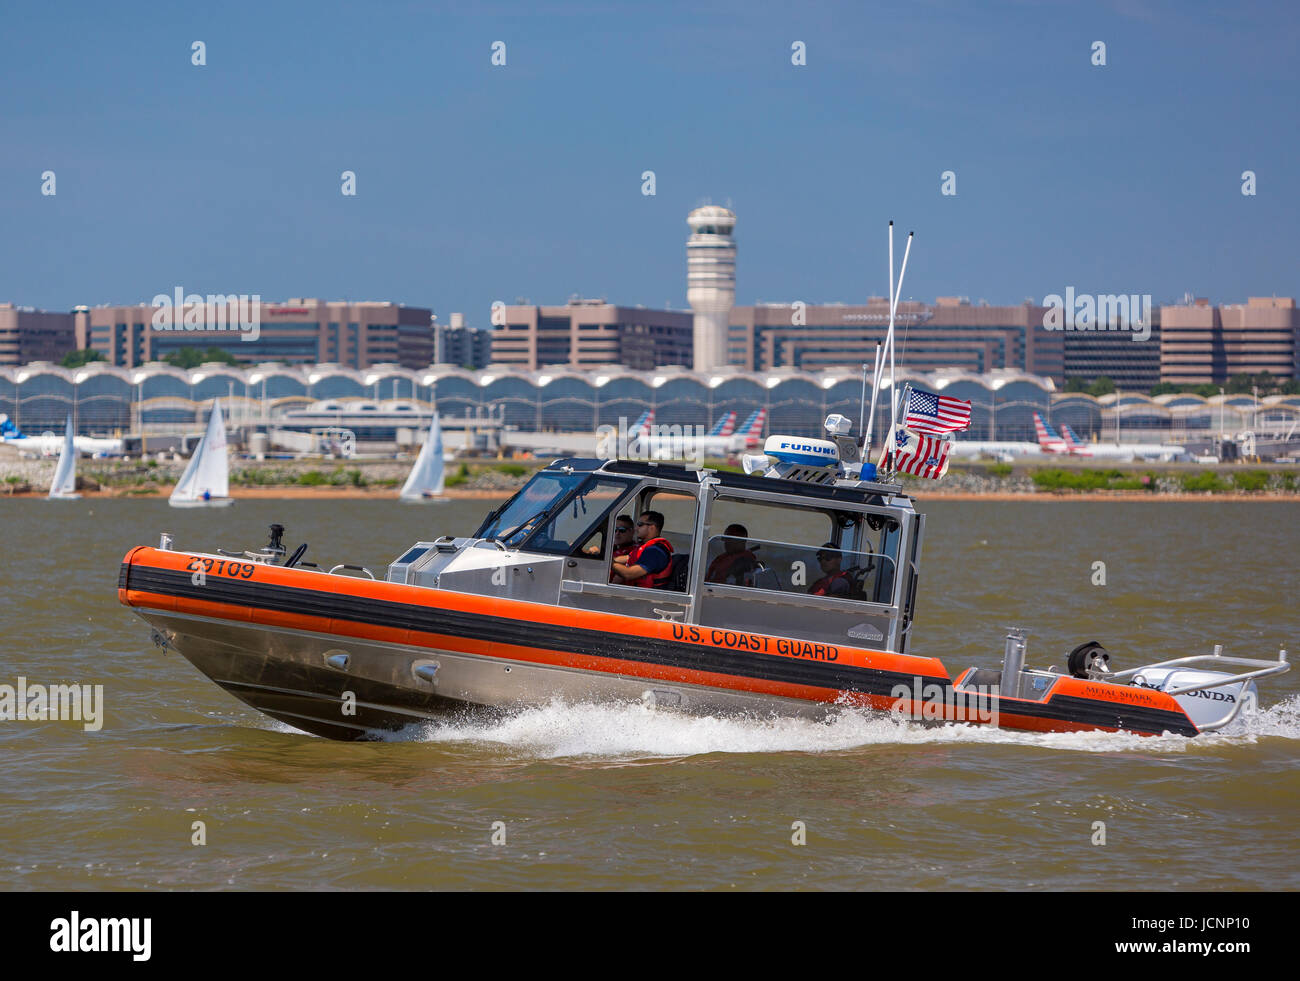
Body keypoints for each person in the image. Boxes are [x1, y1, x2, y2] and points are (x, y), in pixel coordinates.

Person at [611, 510, 673, 588]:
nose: (636, 528)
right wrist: (602, 557)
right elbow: (627, 558)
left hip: (645, 598)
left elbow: (629, 574)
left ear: (652, 528)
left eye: (640, 525)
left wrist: (610, 563)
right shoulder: (645, 548)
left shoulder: (655, 552)